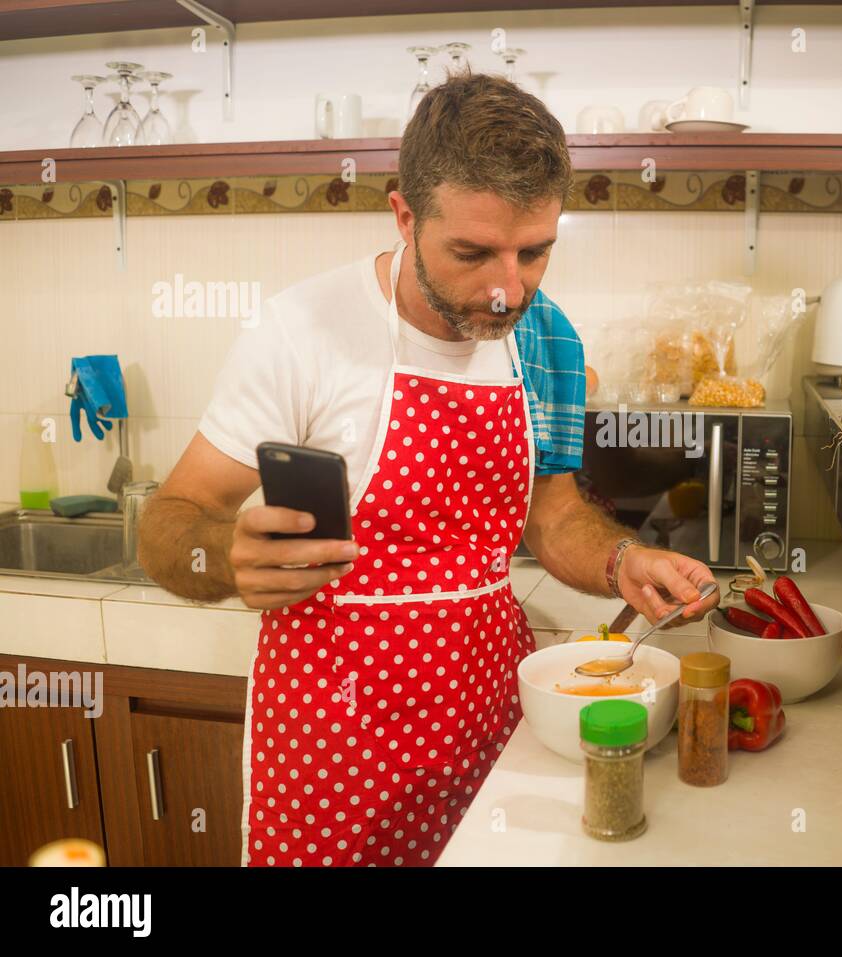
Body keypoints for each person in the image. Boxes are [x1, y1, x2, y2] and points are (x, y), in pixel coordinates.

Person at [138, 72, 719, 867]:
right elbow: (170, 520)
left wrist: (625, 559)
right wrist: (227, 556)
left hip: (495, 720)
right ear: (405, 215)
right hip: (335, 746)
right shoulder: (301, 331)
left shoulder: (547, 339)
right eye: (473, 252)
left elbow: (552, 517)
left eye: (535, 252)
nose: (508, 290)